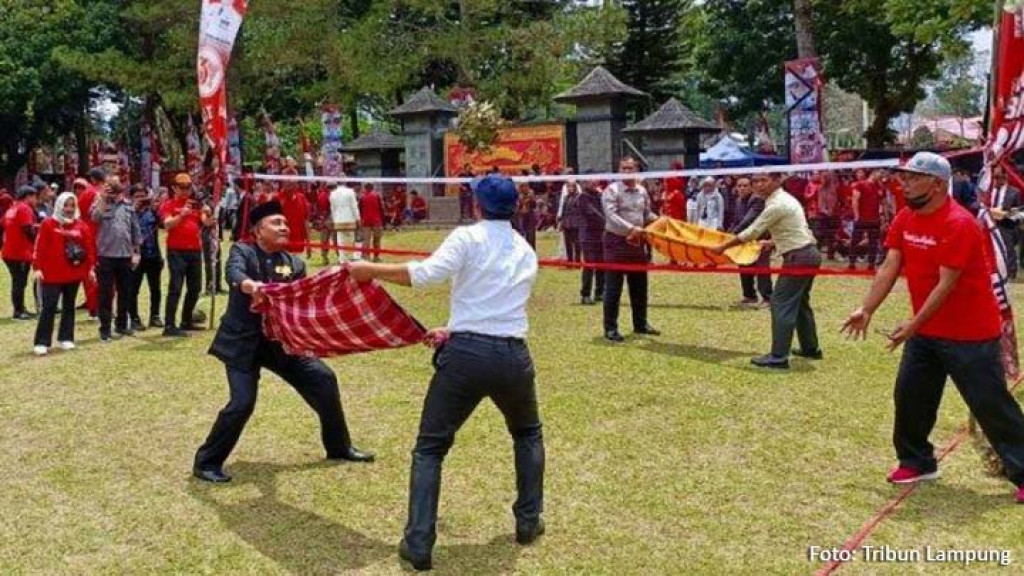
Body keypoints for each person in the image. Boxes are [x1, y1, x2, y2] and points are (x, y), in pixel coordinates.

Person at [348, 175, 545, 571]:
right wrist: (453, 328)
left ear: (476, 205)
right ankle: (528, 521)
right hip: (512, 354)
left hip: (467, 355)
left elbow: (424, 276)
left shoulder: (467, 238)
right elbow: (498, 305)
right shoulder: (525, 249)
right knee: (527, 434)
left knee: (430, 449)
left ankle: (419, 542)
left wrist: (368, 268)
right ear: (515, 206)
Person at [841, 152, 1024, 502]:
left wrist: (912, 324)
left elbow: (946, 284)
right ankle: (917, 461)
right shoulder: (906, 218)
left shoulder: (959, 223)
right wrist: (866, 309)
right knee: (911, 397)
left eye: (912, 177)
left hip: (971, 333)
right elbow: (890, 265)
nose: (903, 182)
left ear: (938, 184)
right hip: (926, 331)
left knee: (991, 405)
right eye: (903, 176)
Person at [193, 200, 374, 483]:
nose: (284, 227)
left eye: (285, 223)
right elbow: (234, 274)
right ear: (257, 231)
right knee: (242, 403)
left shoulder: (293, 264)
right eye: (276, 223)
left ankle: (339, 447)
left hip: (282, 343)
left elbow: (303, 300)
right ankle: (207, 462)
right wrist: (251, 286)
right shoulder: (244, 251)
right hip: (244, 343)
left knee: (324, 379)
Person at [712, 172, 820, 369]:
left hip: (799, 257)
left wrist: (722, 246)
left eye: (764, 180)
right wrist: (773, 242)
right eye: (755, 181)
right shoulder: (786, 199)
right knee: (801, 302)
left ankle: (778, 357)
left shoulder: (776, 204)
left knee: (780, 303)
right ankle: (810, 348)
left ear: (777, 180)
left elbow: (753, 230)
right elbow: (796, 229)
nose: (758, 185)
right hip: (809, 253)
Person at [602, 156, 660, 342]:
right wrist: (631, 229)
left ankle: (640, 323)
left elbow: (646, 214)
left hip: (637, 243)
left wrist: (660, 221)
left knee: (639, 285)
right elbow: (611, 216)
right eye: (623, 168)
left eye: (630, 168)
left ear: (637, 170)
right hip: (616, 242)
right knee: (613, 287)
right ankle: (611, 328)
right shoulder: (611, 191)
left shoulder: (642, 191)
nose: (627, 172)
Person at [31, 192, 95, 355]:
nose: (69, 209)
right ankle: (42, 341)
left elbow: (89, 249)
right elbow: (40, 247)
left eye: (72, 205)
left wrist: (91, 268)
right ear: (59, 206)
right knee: (49, 307)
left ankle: (66, 338)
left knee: (69, 306)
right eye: (66, 205)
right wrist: (37, 267)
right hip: (51, 275)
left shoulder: (81, 226)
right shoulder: (48, 224)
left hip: (73, 273)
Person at [160, 173, 213, 337]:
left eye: (188, 187)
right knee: (176, 287)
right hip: (176, 250)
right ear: (174, 188)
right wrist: (181, 215)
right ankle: (169, 325)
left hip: (194, 250)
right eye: (181, 187)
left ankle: (186, 320)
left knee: (195, 287)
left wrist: (209, 213)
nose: (185, 190)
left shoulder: (196, 205)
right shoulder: (169, 204)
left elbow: (206, 222)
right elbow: (167, 224)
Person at [91, 176, 141, 341]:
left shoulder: (128, 206)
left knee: (125, 292)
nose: (114, 193)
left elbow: (135, 229)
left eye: (116, 190)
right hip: (105, 255)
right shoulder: (99, 202)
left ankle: (121, 324)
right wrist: (103, 199)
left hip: (125, 255)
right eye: (110, 190)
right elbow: (94, 218)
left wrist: (136, 252)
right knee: (105, 294)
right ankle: (105, 328)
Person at [729, 177, 772, 308]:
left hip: (760, 240)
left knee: (762, 269)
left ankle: (768, 298)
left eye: (745, 186)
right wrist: (729, 232)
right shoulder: (738, 201)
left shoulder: (757, 200)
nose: (742, 188)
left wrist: (734, 233)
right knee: (743, 266)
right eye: (739, 186)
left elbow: (748, 220)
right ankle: (749, 296)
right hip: (744, 240)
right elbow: (736, 220)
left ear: (751, 187)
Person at [2, 185, 40, 320]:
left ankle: (20, 308)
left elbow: (3, 226)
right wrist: (37, 243)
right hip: (20, 252)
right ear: (28, 196)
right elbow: (27, 229)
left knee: (17, 281)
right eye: (35, 196)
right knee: (19, 282)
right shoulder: (25, 209)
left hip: (9, 251)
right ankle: (18, 311)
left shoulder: (12, 208)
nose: (36, 200)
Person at [130, 184, 164, 330]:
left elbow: (163, 224)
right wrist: (134, 208)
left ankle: (155, 316)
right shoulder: (128, 212)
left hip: (153, 255)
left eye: (142, 196)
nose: (140, 199)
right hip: (136, 256)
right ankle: (134, 318)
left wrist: (156, 208)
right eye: (137, 196)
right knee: (133, 289)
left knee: (155, 288)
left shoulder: (152, 213)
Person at [988, 166, 1023, 279]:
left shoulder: (1014, 192)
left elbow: (1019, 211)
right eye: (994, 177)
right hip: (990, 224)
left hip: (1006, 225)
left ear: (1005, 177)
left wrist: (1006, 214)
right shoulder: (988, 191)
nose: (995, 180)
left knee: (1008, 250)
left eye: (998, 177)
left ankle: (1011, 273)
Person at [849, 169, 884, 270]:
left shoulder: (880, 187)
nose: (881, 175)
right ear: (873, 173)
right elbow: (855, 199)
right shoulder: (860, 185)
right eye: (880, 173)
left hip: (874, 219)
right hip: (862, 218)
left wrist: (883, 216)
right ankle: (852, 262)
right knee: (855, 240)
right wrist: (856, 215)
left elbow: (882, 202)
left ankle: (871, 264)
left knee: (873, 242)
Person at [577, 179, 606, 305]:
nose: (594, 184)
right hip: (588, 236)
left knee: (602, 265)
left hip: (600, 235)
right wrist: (607, 222)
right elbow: (592, 213)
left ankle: (600, 292)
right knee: (589, 265)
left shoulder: (600, 196)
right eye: (591, 182)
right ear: (585, 183)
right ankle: (586, 294)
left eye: (595, 182)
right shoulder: (583, 197)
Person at [329, 180, 360, 261]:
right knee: (350, 239)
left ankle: (342, 259)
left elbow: (332, 209)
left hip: (338, 219)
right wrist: (358, 219)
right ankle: (349, 257)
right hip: (349, 218)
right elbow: (354, 207)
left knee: (340, 240)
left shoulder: (333, 193)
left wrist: (333, 220)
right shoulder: (350, 192)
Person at [557, 176, 582, 263]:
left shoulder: (579, 197)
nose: (570, 188)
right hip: (566, 224)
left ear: (575, 187)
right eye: (568, 187)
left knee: (577, 243)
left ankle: (578, 260)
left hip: (576, 224)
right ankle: (570, 260)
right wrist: (560, 222)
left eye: (571, 186)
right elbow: (563, 211)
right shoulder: (566, 198)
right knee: (568, 244)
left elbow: (580, 212)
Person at [358, 183, 386, 262]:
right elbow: (382, 208)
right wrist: (384, 221)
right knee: (377, 239)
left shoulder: (362, 197)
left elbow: (359, 209)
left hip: (366, 221)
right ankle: (376, 257)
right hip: (377, 221)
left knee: (366, 240)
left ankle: (365, 257)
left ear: (365, 188)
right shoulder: (377, 196)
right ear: (373, 188)